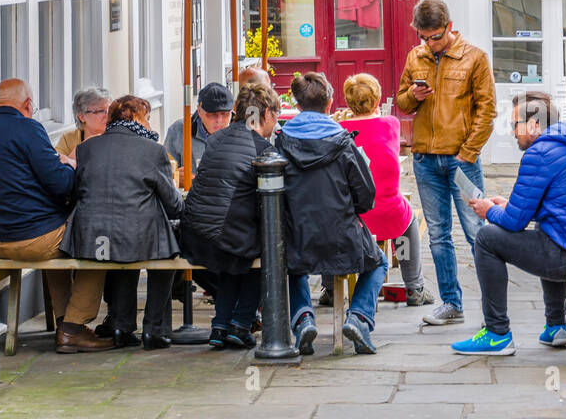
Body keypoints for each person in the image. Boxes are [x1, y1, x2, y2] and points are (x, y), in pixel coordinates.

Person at [396, 0, 497, 327]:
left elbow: (487, 111)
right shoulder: (416, 56)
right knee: (438, 235)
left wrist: (467, 153)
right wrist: (414, 96)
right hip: (425, 160)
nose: (429, 43)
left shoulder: (475, 58)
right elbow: (401, 102)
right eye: (423, 37)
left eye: (435, 36)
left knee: (475, 232)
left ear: (449, 27)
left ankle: (493, 308)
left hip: (461, 161)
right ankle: (451, 303)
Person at [0, 78, 112, 353]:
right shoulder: (28, 129)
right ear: (28, 104)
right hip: (31, 240)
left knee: (60, 237)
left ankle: (64, 322)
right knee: (99, 243)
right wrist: (71, 165)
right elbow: (60, 183)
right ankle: (73, 327)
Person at [452, 92, 566, 356]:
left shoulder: (539, 153)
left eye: (514, 125)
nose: (511, 132)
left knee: (486, 238)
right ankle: (556, 326)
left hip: (564, 256)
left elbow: (513, 223)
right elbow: (550, 204)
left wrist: (488, 211)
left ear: (534, 125)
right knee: (546, 226)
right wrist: (507, 204)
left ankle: (497, 334)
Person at [275, 71, 388, 356]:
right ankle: (359, 317)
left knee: (291, 264)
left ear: (297, 105)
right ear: (330, 104)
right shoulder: (344, 143)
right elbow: (366, 195)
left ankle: (302, 317)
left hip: (298, 237)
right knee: (378, 262)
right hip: (342, 237)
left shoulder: (280, 143)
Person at [61, 93, 183, 350]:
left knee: (121, 251)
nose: (150, 124)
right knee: (164, 253)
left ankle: (121, 326)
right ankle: (154, 329)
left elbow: (78, 193)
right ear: (140, 119)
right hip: (136, 238)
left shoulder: (85, 149)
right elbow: (173, 205)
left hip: (91, 238)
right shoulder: (154, 151)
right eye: (148, 118)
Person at [179, 81, 280, 349]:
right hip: (225, 238)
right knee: (262, 253)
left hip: (194, 235)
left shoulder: (215, 140)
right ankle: (240, 323)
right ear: (266, 113)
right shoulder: (263, 151)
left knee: (235, 257)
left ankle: (221, 326)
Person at [336, 73, 433, 307]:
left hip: (354, 216)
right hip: (387, 212)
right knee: (408, 220)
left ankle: (331, 288)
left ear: (349, 102)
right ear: (377, 99)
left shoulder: (339, 129)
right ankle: (414, 286)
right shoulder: (390, 124)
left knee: (333, 219)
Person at [164, 81, 234, 172]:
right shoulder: (179, 130)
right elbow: (164, 170)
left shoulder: (241, 132)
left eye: (225, 114)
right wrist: (175, 175)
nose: (219, 120)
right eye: (212, 114)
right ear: (200, 111)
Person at [56, 87, 111, 159]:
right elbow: (57, 167)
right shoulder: (68, 139)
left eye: (110, 109)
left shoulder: (119, 135)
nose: (107, 115)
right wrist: (80, 149)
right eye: (100, 111)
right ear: (81, 117)